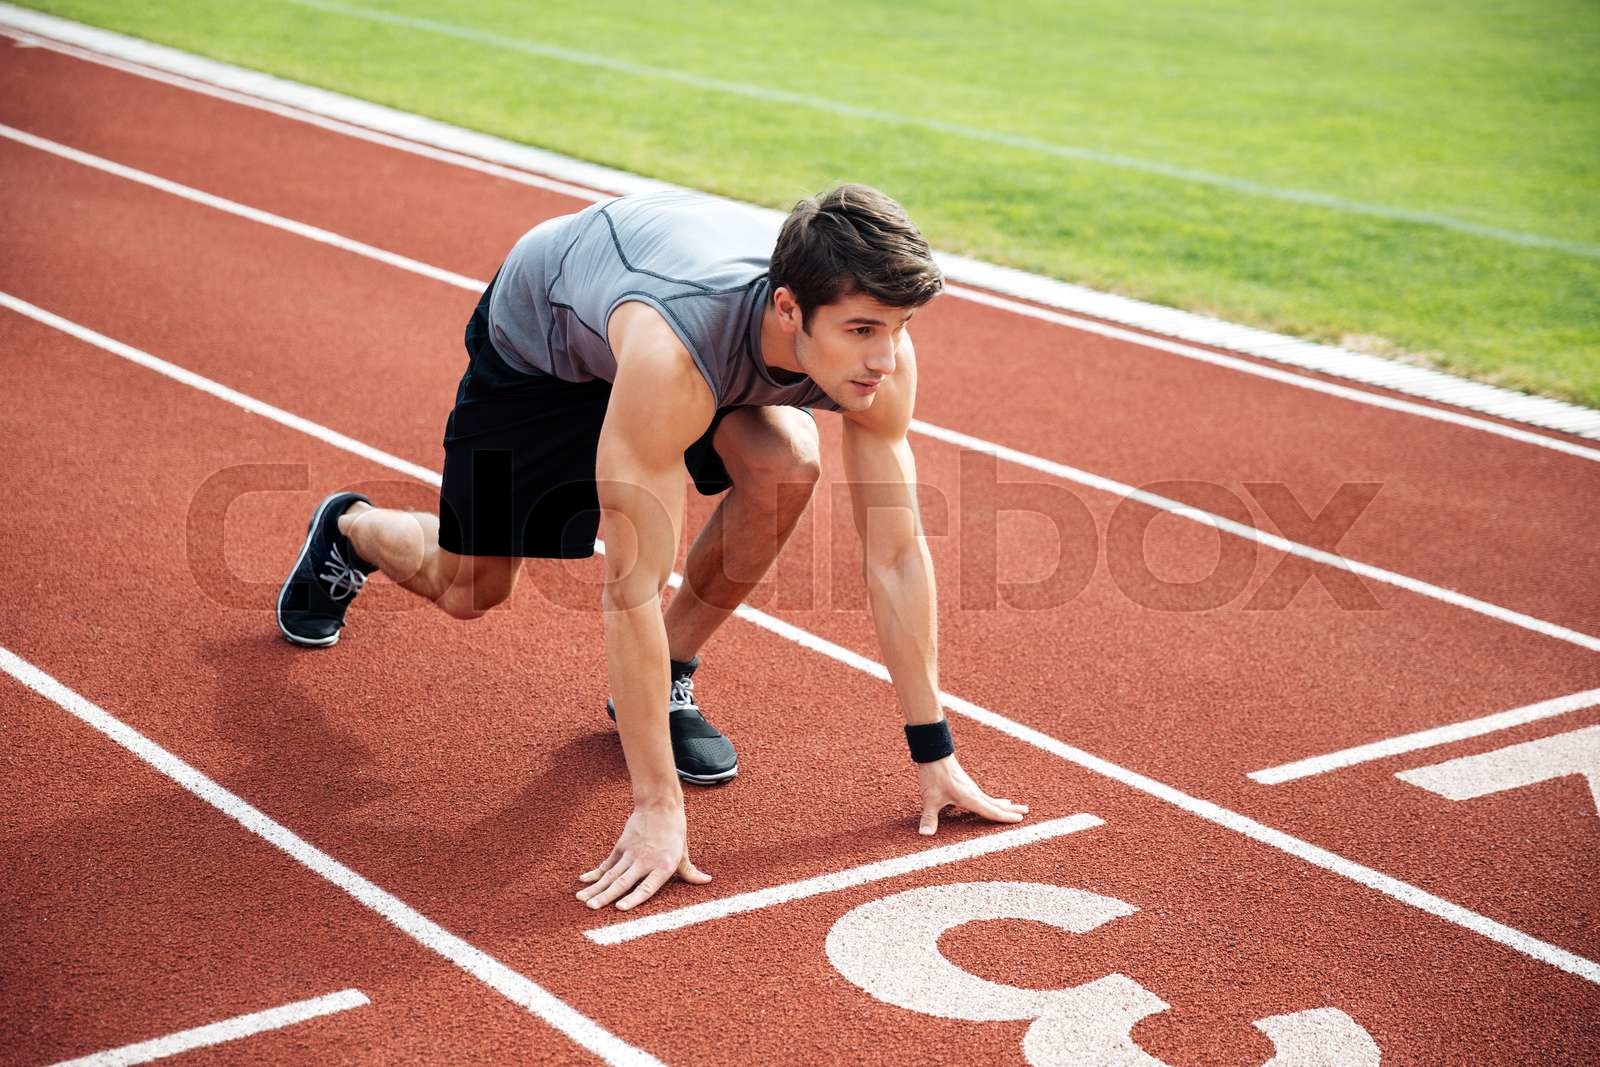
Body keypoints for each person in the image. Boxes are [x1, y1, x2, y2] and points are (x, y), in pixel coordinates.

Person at [276, 184, 1029, 912]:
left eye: (897, 328)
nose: (885, 358)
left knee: (785, 464)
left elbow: (896, 553)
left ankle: (667, 673)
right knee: (470, 588)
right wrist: (657, 806)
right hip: (547, 341)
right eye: (863, 330)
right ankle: (351, 527)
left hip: (669, 316)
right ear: (790, 307)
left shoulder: (875, 356)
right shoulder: (676, 354)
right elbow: (630, 587)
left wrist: (935, 751)